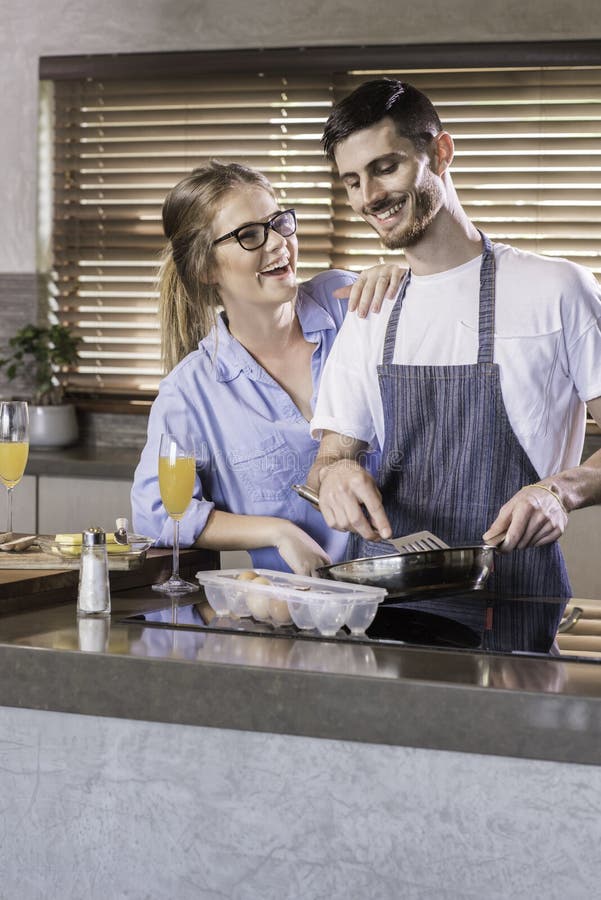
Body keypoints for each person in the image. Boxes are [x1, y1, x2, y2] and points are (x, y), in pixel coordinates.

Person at [307, 79, 601, 598]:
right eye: (352, 181)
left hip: (510, 595)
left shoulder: (557, 289)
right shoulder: (372, 308)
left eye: (385, 167)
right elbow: (330, 457)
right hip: (384, 600)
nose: (370, 198)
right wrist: (334, 475)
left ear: (441, 152)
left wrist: (559, 492)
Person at [131, 160, 403, 575]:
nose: (279, 243)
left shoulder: (350, 305)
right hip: (307, 612)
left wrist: (409, 286)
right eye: (251, 235)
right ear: (205, 268)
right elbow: (157, 512)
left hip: (424, 590)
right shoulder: (191, 392)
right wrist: (277, 532)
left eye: (279, 223)